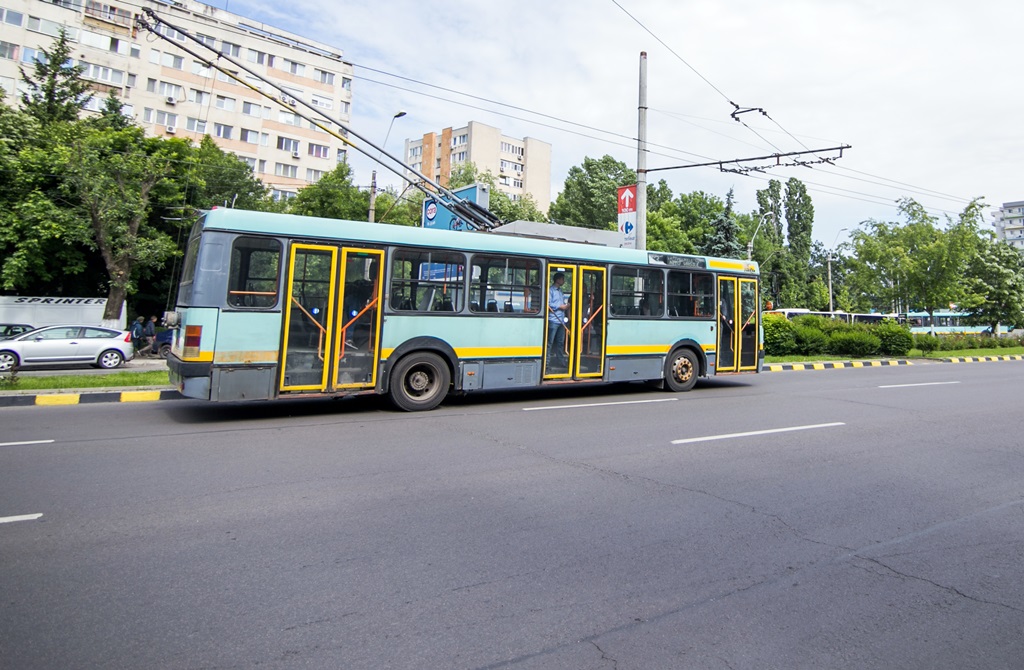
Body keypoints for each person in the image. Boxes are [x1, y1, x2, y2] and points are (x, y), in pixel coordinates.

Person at [547, 272, 569, 367]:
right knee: (550, 343)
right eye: (562, 279)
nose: (563, 281)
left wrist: (566, 306)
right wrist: (560, 306)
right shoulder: (550, 290)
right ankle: (547, 363)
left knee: (560, 343)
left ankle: (560, 361)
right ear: (557, 280)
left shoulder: (560, 291)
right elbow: (548, 304)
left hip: (561, 320)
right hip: (553, 320)